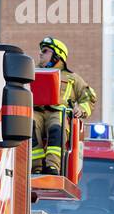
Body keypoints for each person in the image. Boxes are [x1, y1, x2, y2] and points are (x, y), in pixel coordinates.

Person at [32, 37, 96, 176]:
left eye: (45, 51)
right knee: (29, 125)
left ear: (57, 55)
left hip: (58, 112)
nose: (40, 54)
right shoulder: (32, 73)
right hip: (36, 111)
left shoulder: (73, 78)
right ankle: (35, 168)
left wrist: (82, 109)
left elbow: (90, 97)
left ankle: (52, 167)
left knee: (56, 128)